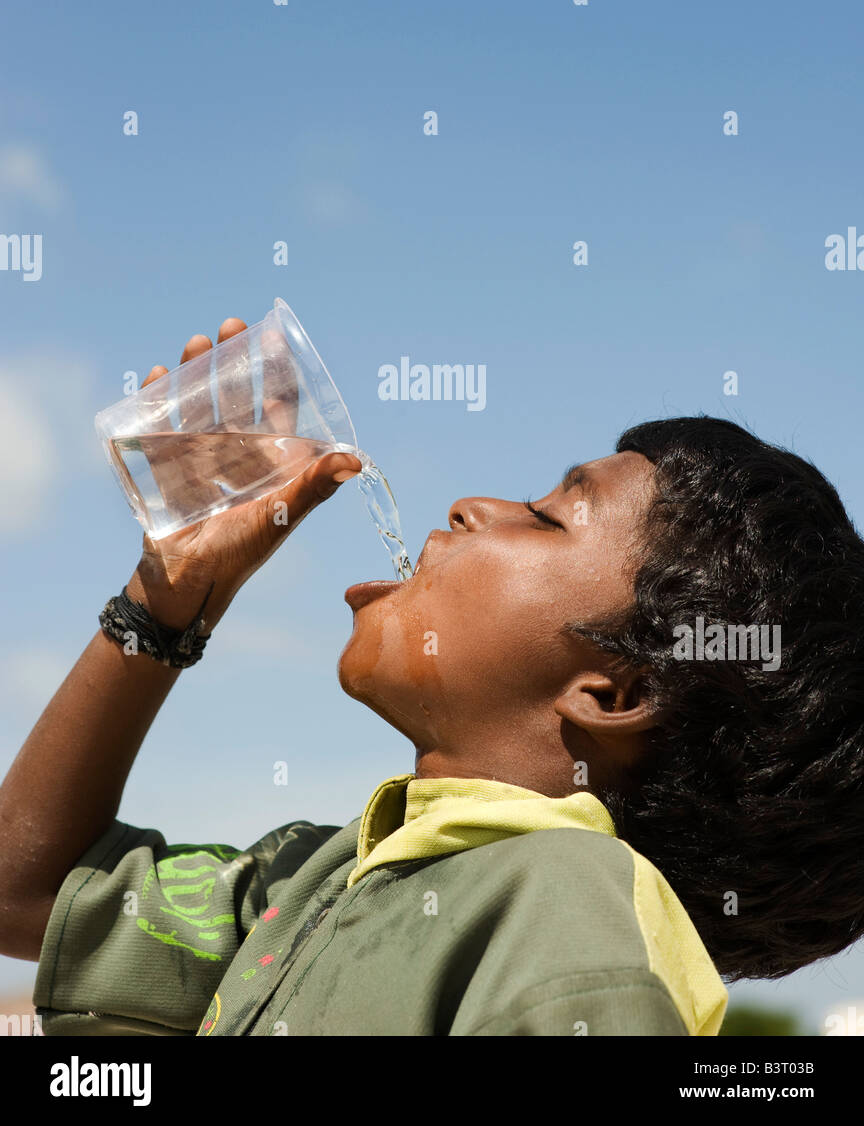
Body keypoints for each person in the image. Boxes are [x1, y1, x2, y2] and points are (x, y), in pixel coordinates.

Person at [1, 318, 862, 1036]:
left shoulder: (565, 913)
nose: (471, 506)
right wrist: (174, 593)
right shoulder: (320, 881)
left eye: (547, 517)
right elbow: (24, 890)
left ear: (615, 694)